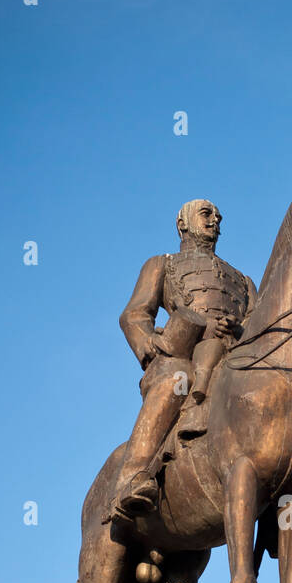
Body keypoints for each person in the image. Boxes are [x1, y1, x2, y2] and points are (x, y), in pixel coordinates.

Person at [110, 199, 256, 522]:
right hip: (183, 355)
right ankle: (133, 477)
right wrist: (152, 343)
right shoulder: (162, 264)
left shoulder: (242, 281)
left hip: (233, 355)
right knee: (178, 378)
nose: (215, 220)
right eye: (206, 214)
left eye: (218, 216)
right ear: (183, 224)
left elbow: (259, 324)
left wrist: (238, 328)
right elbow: (133, 315)